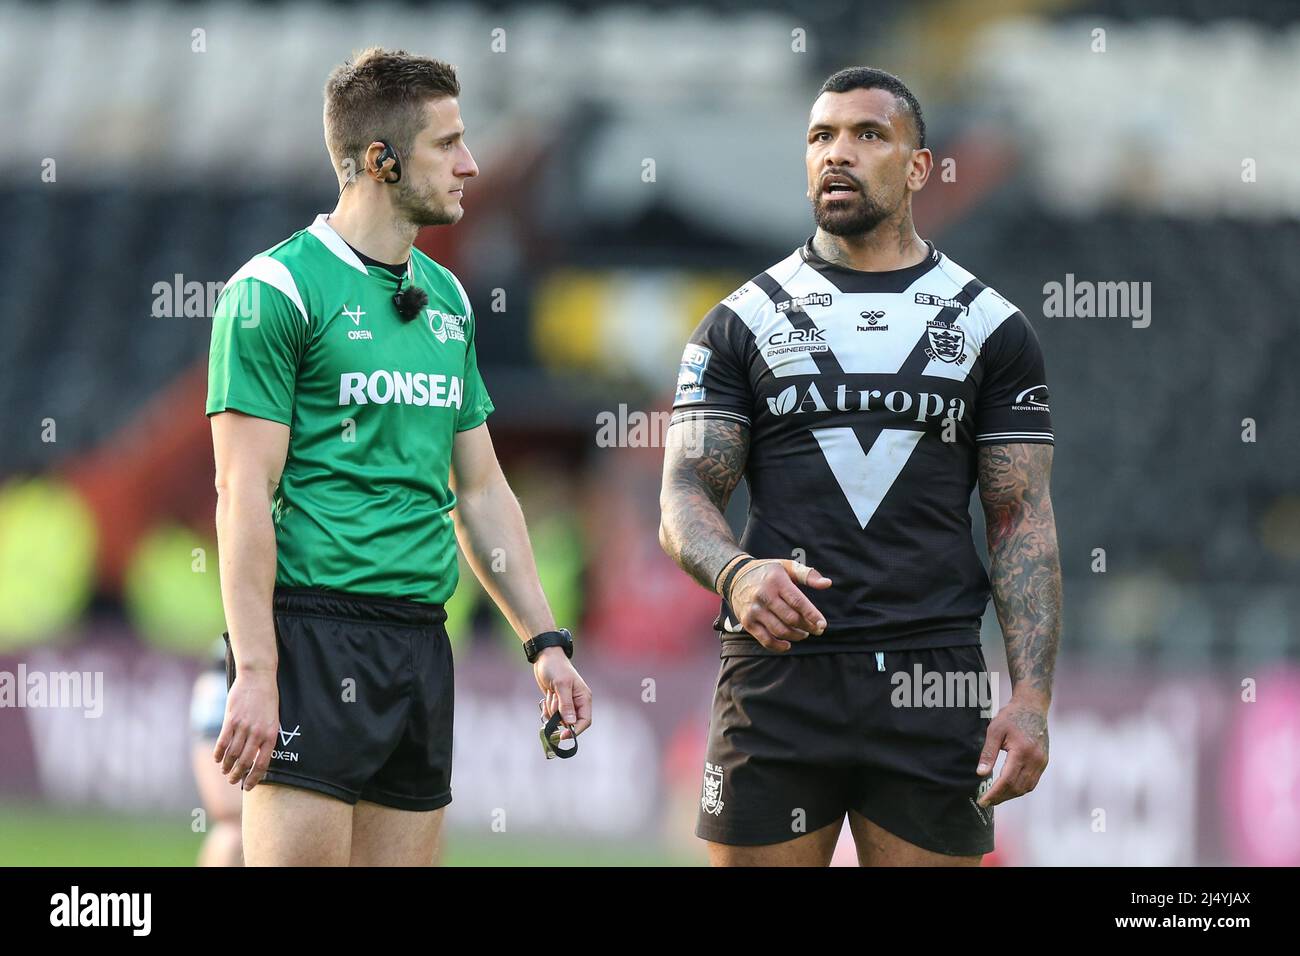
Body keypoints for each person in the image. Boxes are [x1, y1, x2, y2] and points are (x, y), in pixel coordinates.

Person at [658, 67, 1060, 866]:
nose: (837, 153)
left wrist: (1033, 697)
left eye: (868, 134)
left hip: (932, 680)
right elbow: (683, 492)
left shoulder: (991, 327)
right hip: (778, 677)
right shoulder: (740, 321)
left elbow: (1021, 517)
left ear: (918, 168)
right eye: (820, 137)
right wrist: (735, 574)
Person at [206, 47, 592, 866]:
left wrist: (545, 640)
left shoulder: (448, 298)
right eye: (447, 143)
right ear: (380, 161)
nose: (471, 163)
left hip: (420, 641)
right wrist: (257, 670)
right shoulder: (275, 292)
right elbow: (242, 493)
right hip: (312, 630)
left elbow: (482, 490)